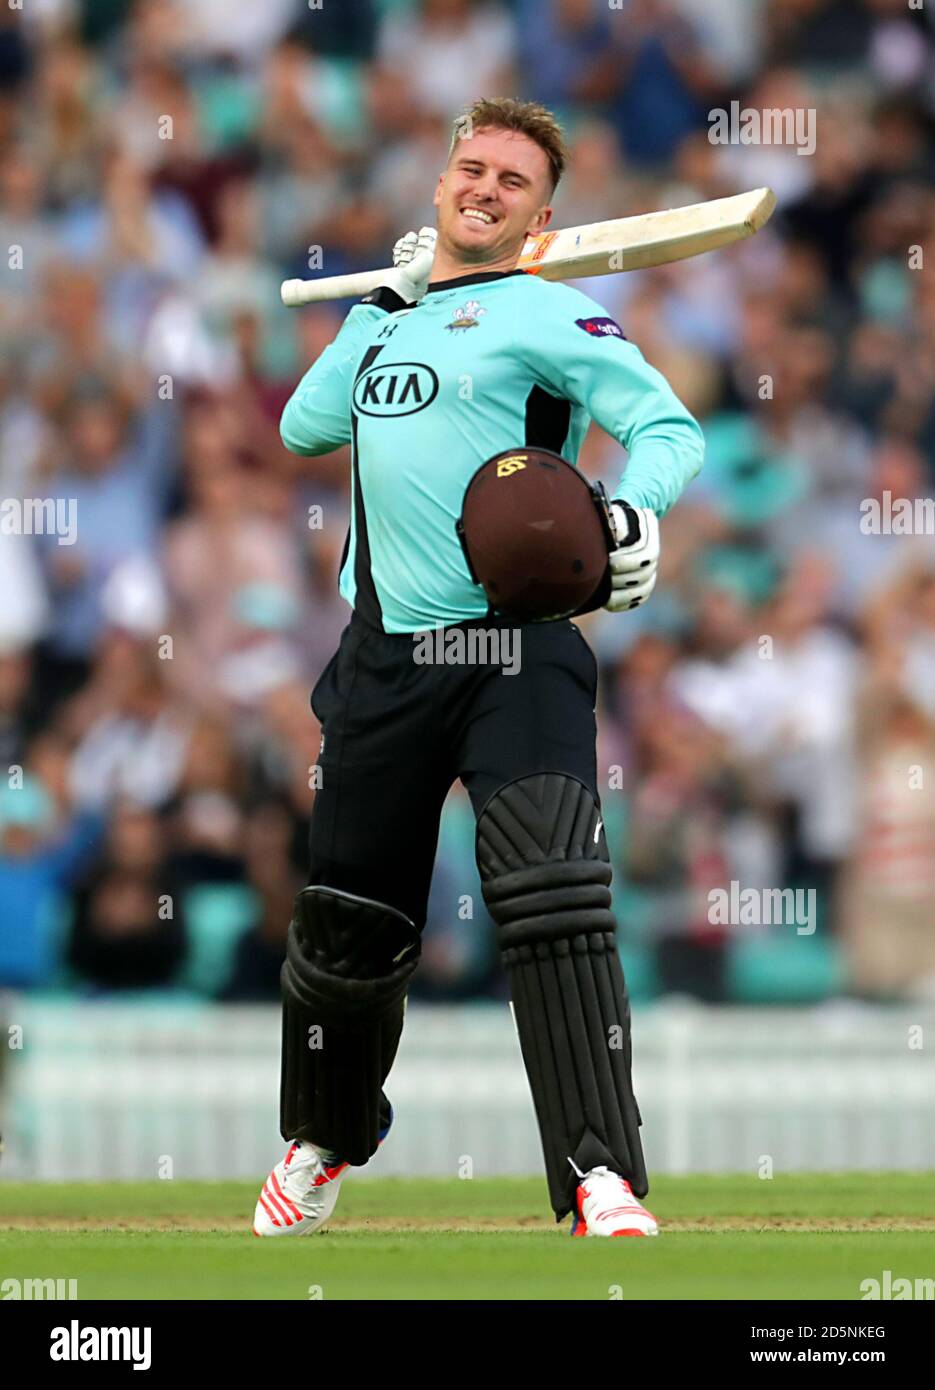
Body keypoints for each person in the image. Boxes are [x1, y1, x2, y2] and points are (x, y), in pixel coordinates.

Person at [254, 98, 704, 1239]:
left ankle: (599, 1175)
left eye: (510, 179)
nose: (484, 188)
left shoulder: (549, 315)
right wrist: (378, 305)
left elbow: (668, 431)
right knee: (348, 926)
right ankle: (322, 1141)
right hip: (383, 655)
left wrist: (631, 512)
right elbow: (305, 429)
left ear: (538, 213)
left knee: (550, 896)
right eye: (471, 168)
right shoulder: (386, 318)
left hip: (513, 647)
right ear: (440, 183)